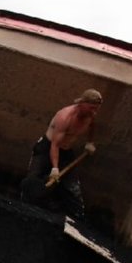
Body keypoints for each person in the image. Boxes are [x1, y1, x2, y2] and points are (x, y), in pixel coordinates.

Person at [21, 89, 103, 219]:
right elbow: (55, 145)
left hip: (66, 150)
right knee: (33, 180)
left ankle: (76, 219)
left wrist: (90, 142)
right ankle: (24, 209)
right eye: (92, 108)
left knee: (72, 187)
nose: (94, 112)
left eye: (96, 109)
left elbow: (93, 126)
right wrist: (55, 167)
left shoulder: (90, 115)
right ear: (82, 103)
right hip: (47, 147)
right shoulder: (65, 117)